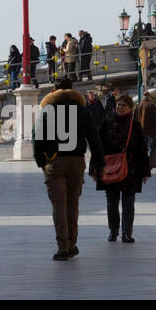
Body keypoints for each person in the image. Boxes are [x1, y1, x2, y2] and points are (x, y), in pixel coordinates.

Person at [33, 76, 103, 260]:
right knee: (73, 203)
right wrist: (98, 161)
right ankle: (72, 243)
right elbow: (94, 138)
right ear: (71, 89)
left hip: (55, 162)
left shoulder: (47, 110)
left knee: (58, 205)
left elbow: (37, 137)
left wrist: (41, 162)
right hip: (77, 161)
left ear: (54, 90)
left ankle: (62, 246)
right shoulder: (82, 110)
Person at [93, 92, 151, 242]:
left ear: (130, 108)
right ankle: (113, 231)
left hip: (131, 170)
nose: (119, 107)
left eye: (123, 105)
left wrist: (145, 171)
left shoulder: (135, 125)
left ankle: (127, 232)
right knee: (111, 203)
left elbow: (142, 150)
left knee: (128, 203)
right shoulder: (107, 122)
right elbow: (98, 147)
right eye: (118, 104)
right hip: (110, 168)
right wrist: (94, 168)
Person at [135, 94, 156, 160]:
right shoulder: (151, 105)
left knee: (143, 147)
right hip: (151, 130)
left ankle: (144, 160)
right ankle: (150, 161)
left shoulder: (139, 105)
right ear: (149, 97)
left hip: (141, 130)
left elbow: (135, 118)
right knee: (153, 147)